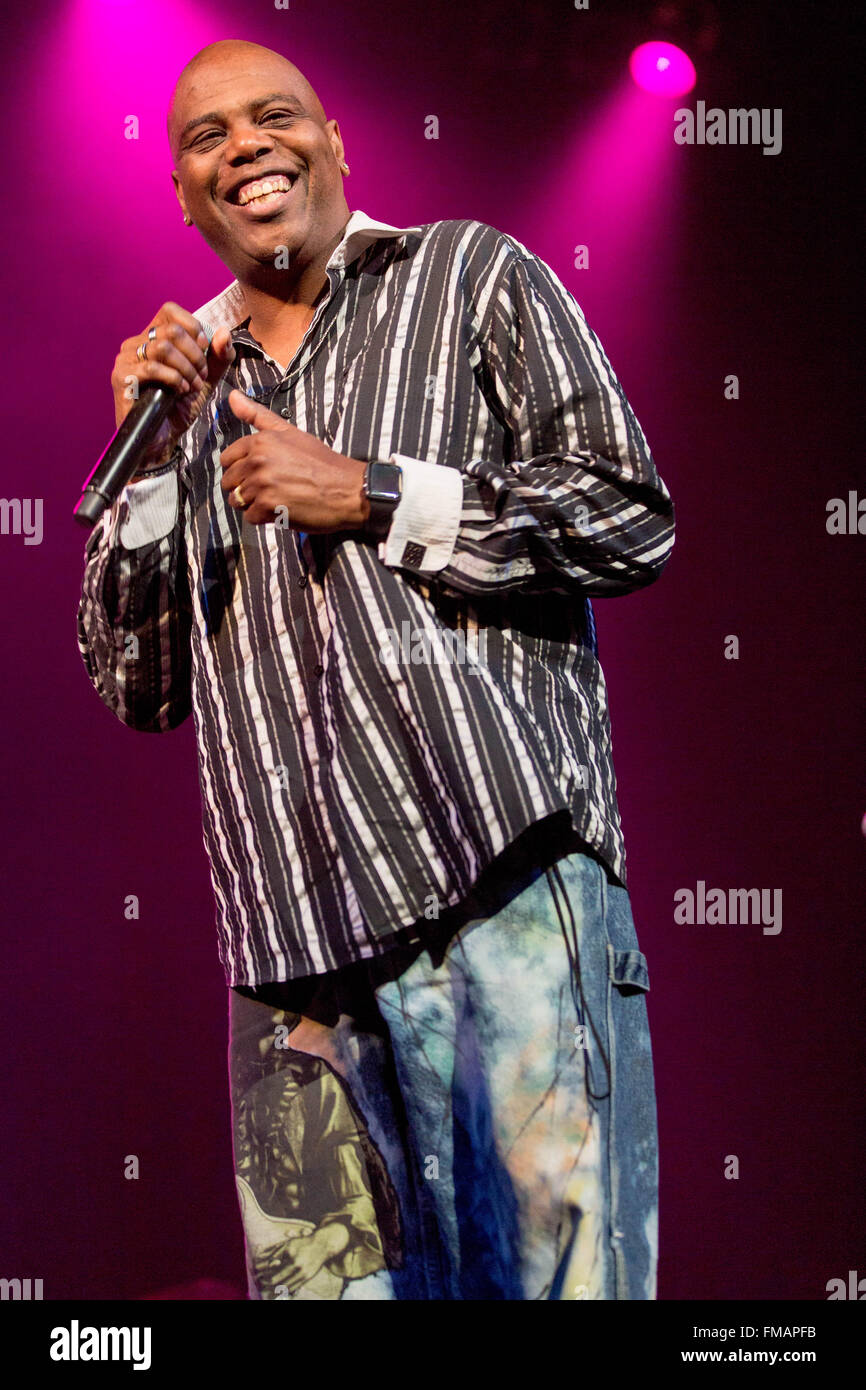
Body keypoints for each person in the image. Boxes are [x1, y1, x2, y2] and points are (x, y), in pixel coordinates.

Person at [77, 38, 675, 1300]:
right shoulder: (187, 395)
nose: (245, 145)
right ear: (181, 195)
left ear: (334, 142)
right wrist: (149, 461)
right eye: (206, 137)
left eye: (274, 116)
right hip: (292, 971)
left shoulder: (469, 274)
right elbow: (137, 684)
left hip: (497, 899)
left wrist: (370, 491)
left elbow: (626, 514)